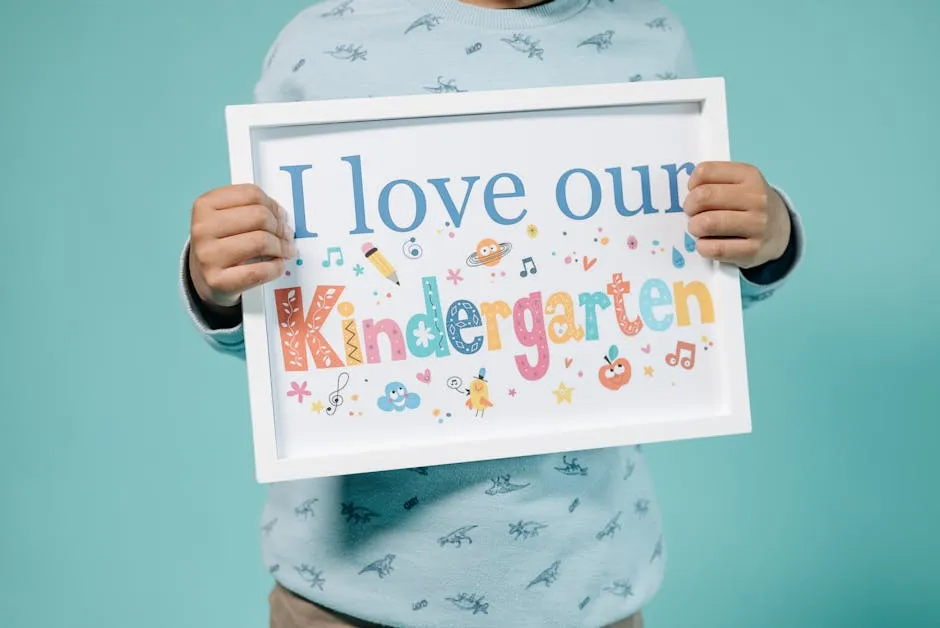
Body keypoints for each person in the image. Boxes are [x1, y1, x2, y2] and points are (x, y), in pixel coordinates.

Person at [179, 1, 804, 626]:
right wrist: (221, 282)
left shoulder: (649, 41)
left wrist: (764, 240)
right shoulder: (323, 46)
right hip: (345, 596)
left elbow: (680, 299)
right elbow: (284, 335)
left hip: (586, 588)